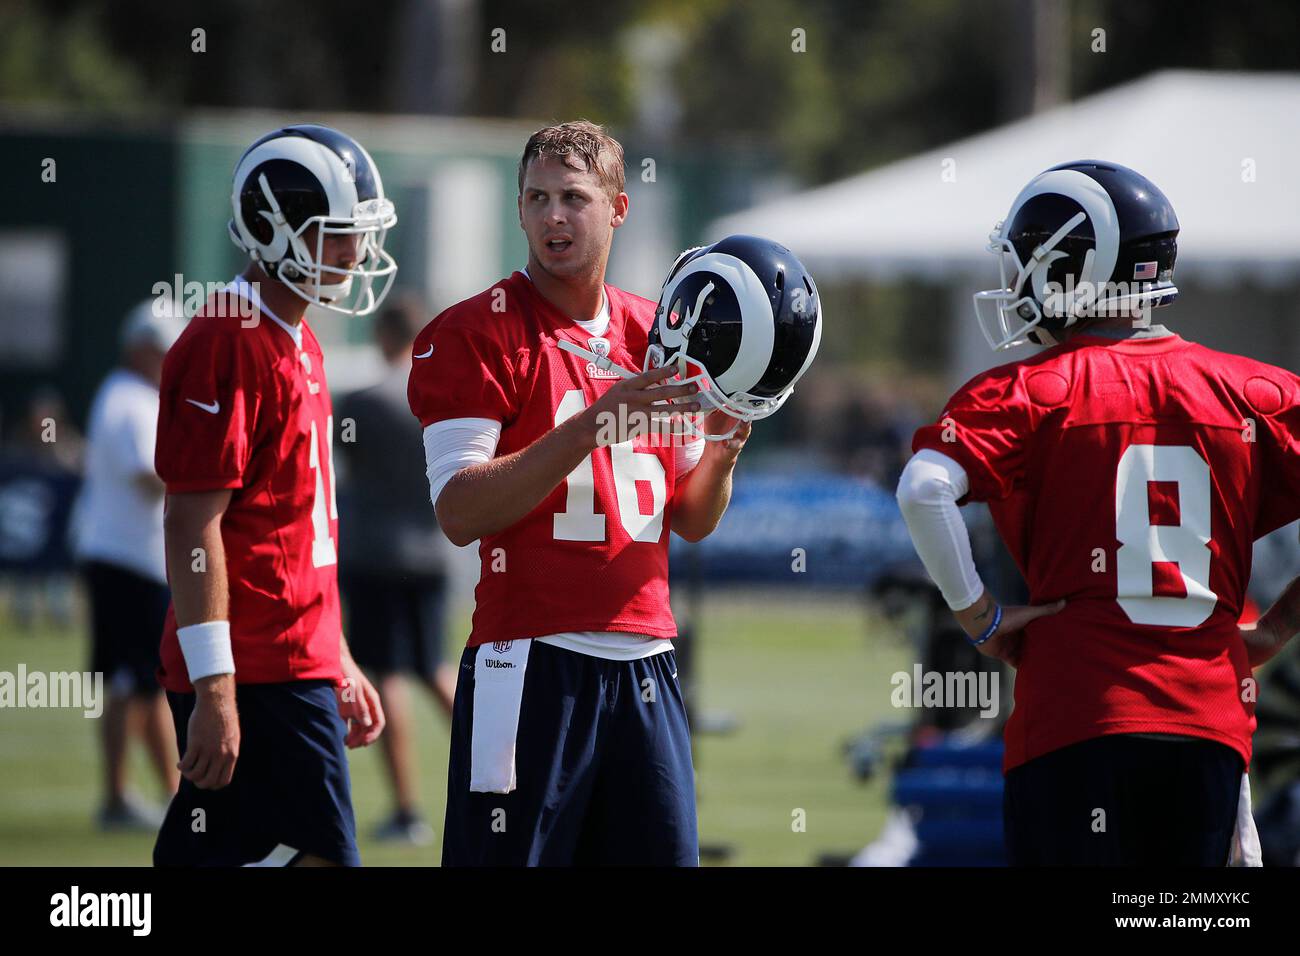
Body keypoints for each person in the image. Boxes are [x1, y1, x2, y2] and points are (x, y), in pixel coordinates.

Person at [408, 121, 820, 865]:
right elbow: (460, 511)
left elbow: (691, 517)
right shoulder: (476, 332)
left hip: (647, 663)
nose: (553, 217)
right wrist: (597, 423)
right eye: (536, 198)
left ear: (618, 209)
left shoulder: (661, 329)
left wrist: (727, 444)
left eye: (573, 197)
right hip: (530, 659)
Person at [896, 159, 1300, 866]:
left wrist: (979, 616)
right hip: (1207, 722)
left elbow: (924, 490)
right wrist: (1278, 626)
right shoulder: (1253, 391)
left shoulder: (1031, 391)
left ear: (1072, 268)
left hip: (1075, 718)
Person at [152, 124, 392, 867]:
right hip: (256, 664)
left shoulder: (298, 336)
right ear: (271, 229)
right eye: (334, 235)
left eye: (357, 233)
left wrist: (337, 654)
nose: (354, 254)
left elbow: (297, 527)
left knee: (242, 854)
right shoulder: (227, 340)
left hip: (294, 657)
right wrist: (216, 687)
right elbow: (193, 525)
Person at [336, 293, 456, 846]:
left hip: (377, 554)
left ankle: (406, 809)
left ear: (384, 336)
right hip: (433, 550)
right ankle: (511, 773)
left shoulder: (362, 402)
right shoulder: (443, 395)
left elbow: (342, 468)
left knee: (385, 676)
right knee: (435, 670)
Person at [75, 299, 184, 829]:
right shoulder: (129, 401)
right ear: (141, 348)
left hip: (134, 559)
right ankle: (119, 795)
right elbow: (152, 476)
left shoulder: (131, 397)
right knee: (131, 680)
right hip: (128, 560)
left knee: (143, 681)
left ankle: (168, 792)